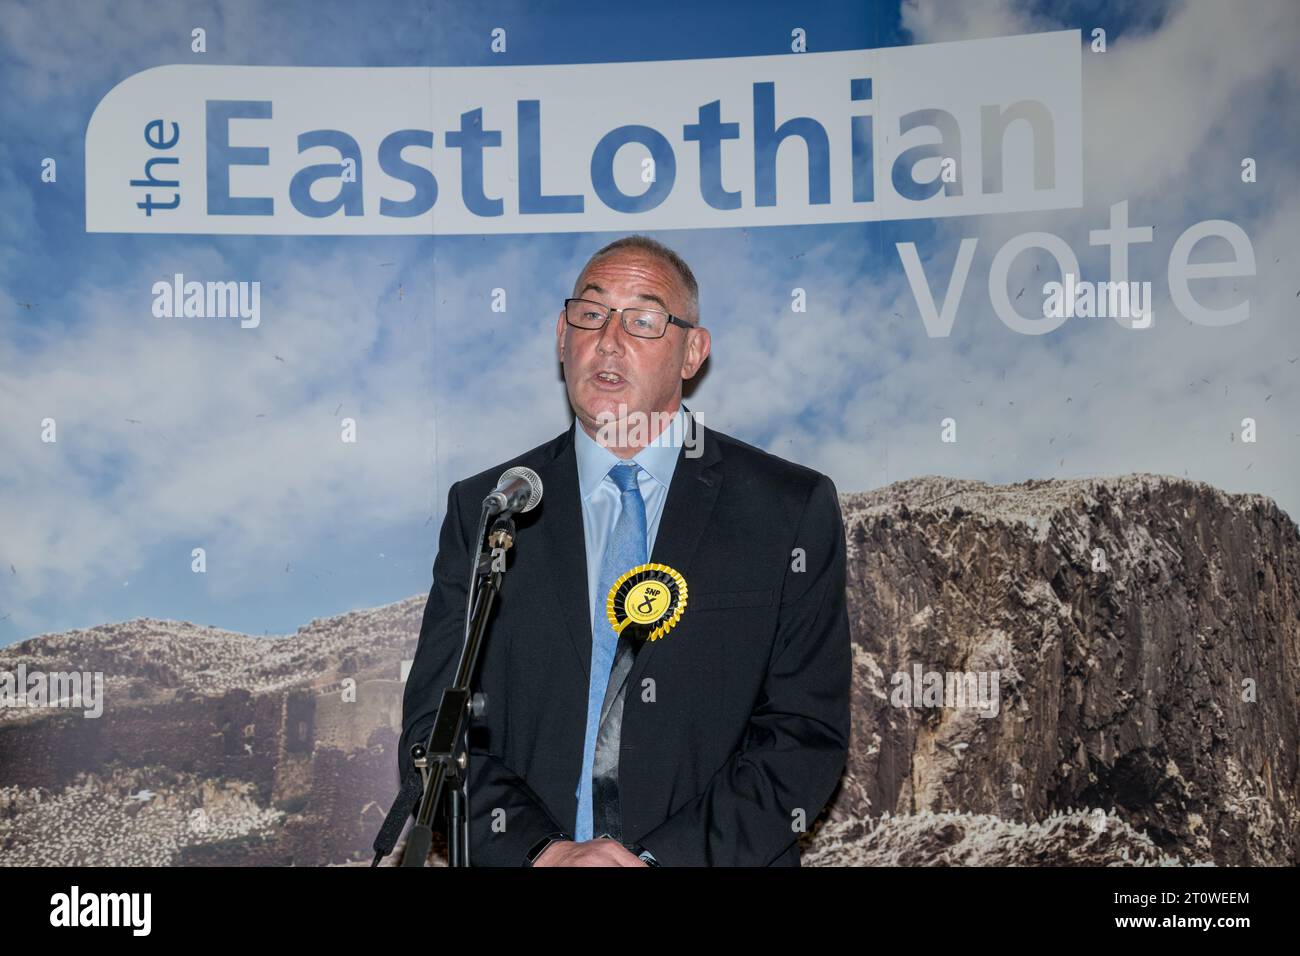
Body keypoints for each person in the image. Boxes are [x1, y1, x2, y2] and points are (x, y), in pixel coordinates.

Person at [399, 235, 850, 866]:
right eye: (590, 313)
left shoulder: (785, 508)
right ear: (563, 336)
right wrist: (544, 852)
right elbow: (434, 733)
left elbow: (804, 735)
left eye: (643, 319)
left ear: (693, 350)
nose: (609, 340)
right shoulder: (491, 505)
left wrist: (656, 861)